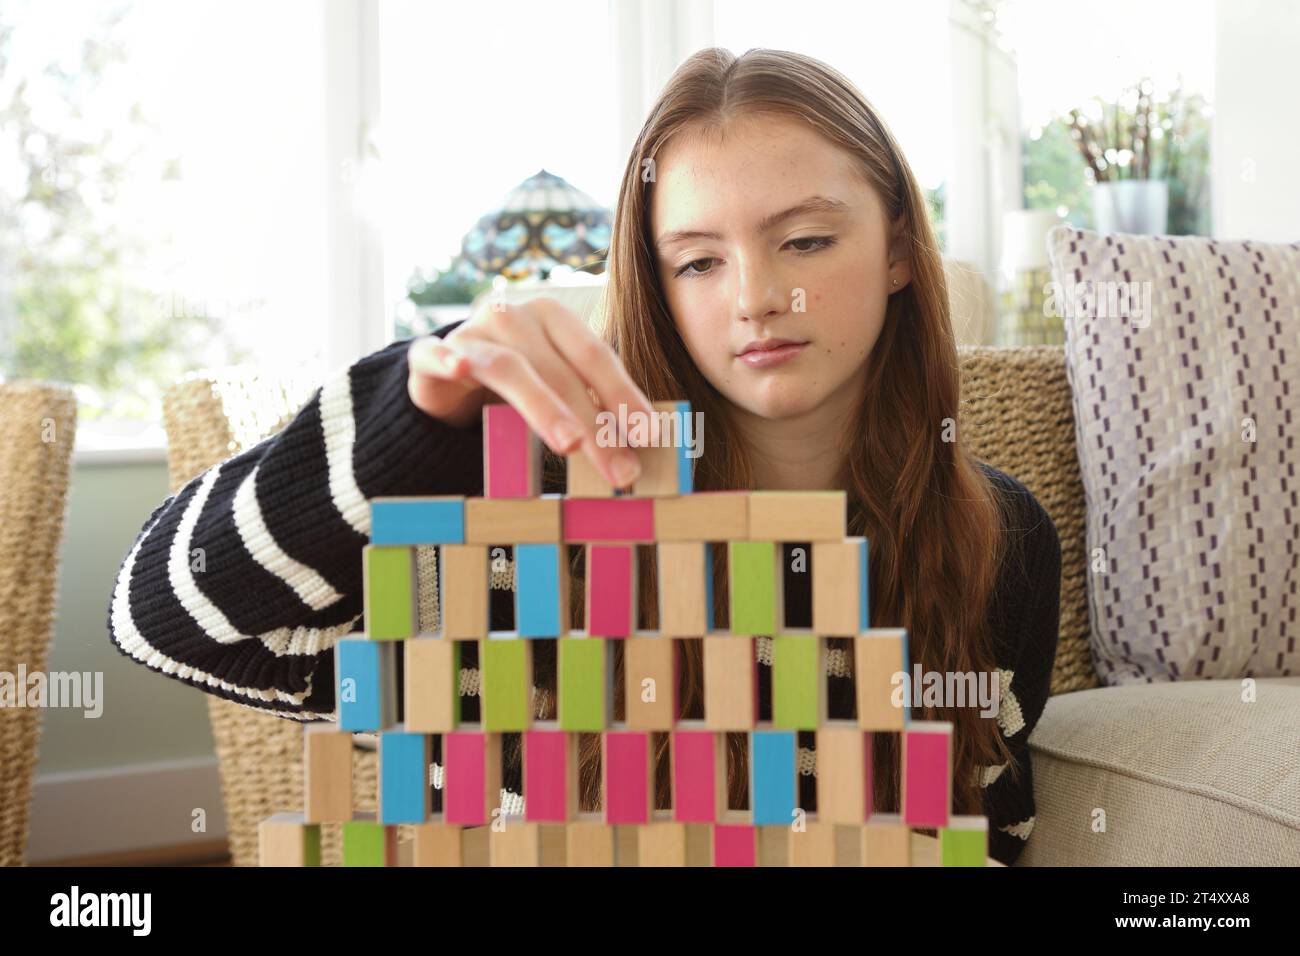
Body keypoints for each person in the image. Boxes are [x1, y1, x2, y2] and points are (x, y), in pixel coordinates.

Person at [108, 47, 1060, 866]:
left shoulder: (1003, 538)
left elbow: (985, 826)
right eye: (698, 261)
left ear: (898, 248)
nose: (757, 296)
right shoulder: (519, 522)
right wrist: (411, 423)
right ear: (657, 285)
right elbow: (163, 618)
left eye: (806, 241)